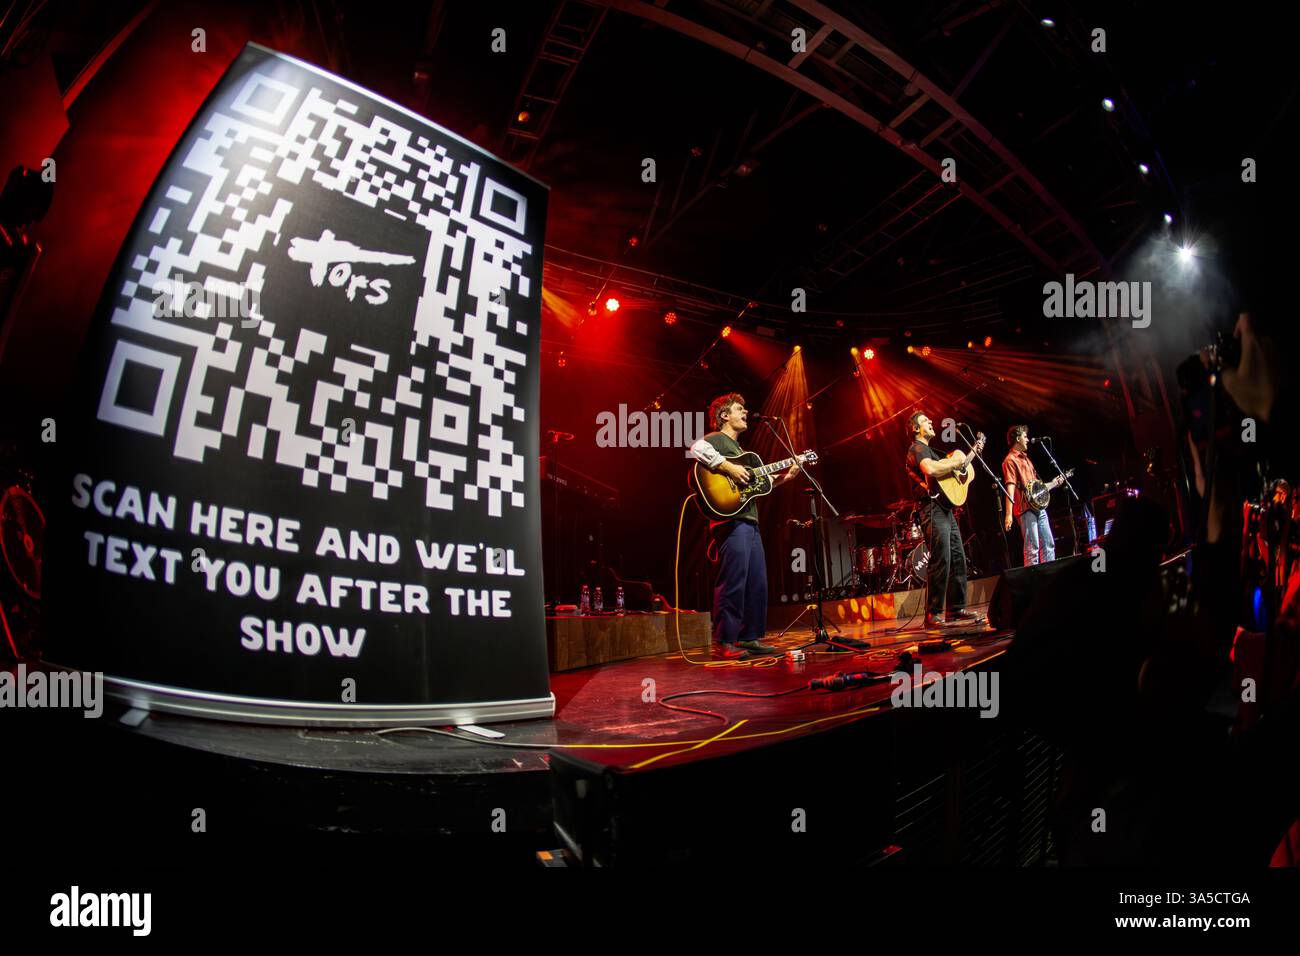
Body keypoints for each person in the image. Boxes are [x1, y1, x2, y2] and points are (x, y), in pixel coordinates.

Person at [689, 393, 799, 659]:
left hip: (749, 519)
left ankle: (749, 637)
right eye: (740, 409)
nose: (746, 412)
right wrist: (727, 467)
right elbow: (696, 449)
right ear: (724, 416)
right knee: (733, 580)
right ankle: (725, 640)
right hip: (731, 520)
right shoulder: (717, 440)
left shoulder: (742, 452)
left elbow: (757, 486)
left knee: (756, 582)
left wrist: (786, 477)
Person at [904, 412, 983, 628]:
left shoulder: (932, 451)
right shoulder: (917, 448)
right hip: (931, 508)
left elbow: (948, 474)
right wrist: (957, 462)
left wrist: (965, 459)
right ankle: (933, 613)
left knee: (957, 556)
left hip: (944, 508)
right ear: (915, 429)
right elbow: (930, 469)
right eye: (925, 421)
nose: (931, 422)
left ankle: (956, 609)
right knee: (942, 557)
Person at [1001, 424, 1055, 566]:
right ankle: (1033, 584)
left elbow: (1037, 487)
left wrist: (1054, 483)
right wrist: (1008, 514)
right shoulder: (1010, 460)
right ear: (1017, 438)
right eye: (1025, 436)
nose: (1027, 439)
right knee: (1032, 548)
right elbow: (1010, 487)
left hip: (1039, 507)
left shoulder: (1026, 459)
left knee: (1048, 544)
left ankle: (1050, 578)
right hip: (1025, 509)